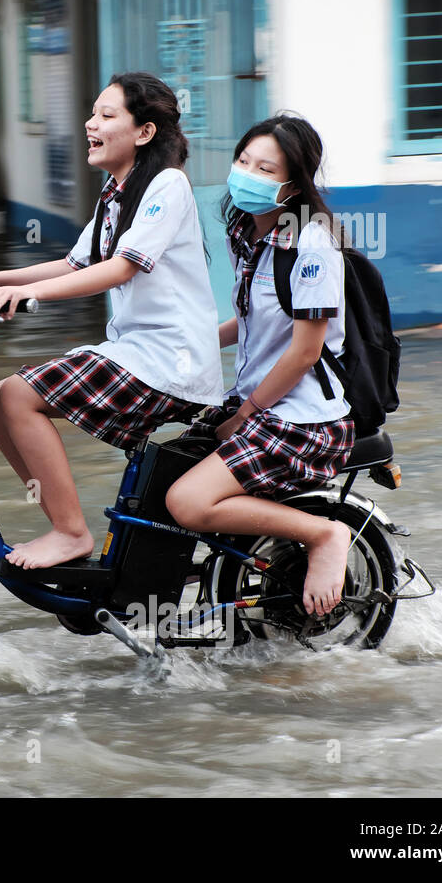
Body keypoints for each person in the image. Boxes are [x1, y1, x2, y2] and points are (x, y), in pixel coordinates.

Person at [0, 72, 223, 570]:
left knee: (18, 395)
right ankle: (59, 517)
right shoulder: (115, 192)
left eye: (106, 115)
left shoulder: (167, 185)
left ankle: (70, 532)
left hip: (169, 362)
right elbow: (76, 264)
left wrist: (27, 292)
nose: (89, 124)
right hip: (135, 353)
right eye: (92, 113)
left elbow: (120, 267)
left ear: (144, 132)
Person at [165, 114, 354, 617]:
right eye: (244, 161)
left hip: (301, 419)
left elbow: (304, 350)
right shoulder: (245, 231)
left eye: (266, 169)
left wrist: (244, 414)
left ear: (294, 184)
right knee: (159, 468)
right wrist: (187, 345)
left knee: (188, 501)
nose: (248, 174)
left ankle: (325, 534)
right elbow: (247, 321)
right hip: (260, 402)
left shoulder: (313, 243)